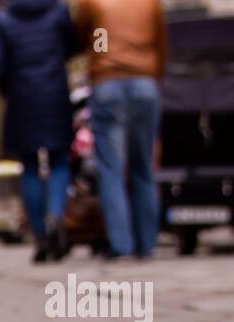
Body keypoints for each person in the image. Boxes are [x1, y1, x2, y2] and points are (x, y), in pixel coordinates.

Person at [75, 0, 168, 259]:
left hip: (108, 82)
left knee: (112, 169)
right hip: (144, 84)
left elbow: (81, 37)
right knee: (143, 167)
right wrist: (153, 76)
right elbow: (161, 42)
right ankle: (146, 244)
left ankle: (121, 244)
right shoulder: (150, 3)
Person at [0, 0, 78, 263]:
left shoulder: (4, 18)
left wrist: (9, 88)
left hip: (22, 96)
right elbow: (72, 46)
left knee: (29, 166)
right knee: (59, 160)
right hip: (54, 92)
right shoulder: (58, 11)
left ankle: (40, 234)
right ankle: (54, 216)